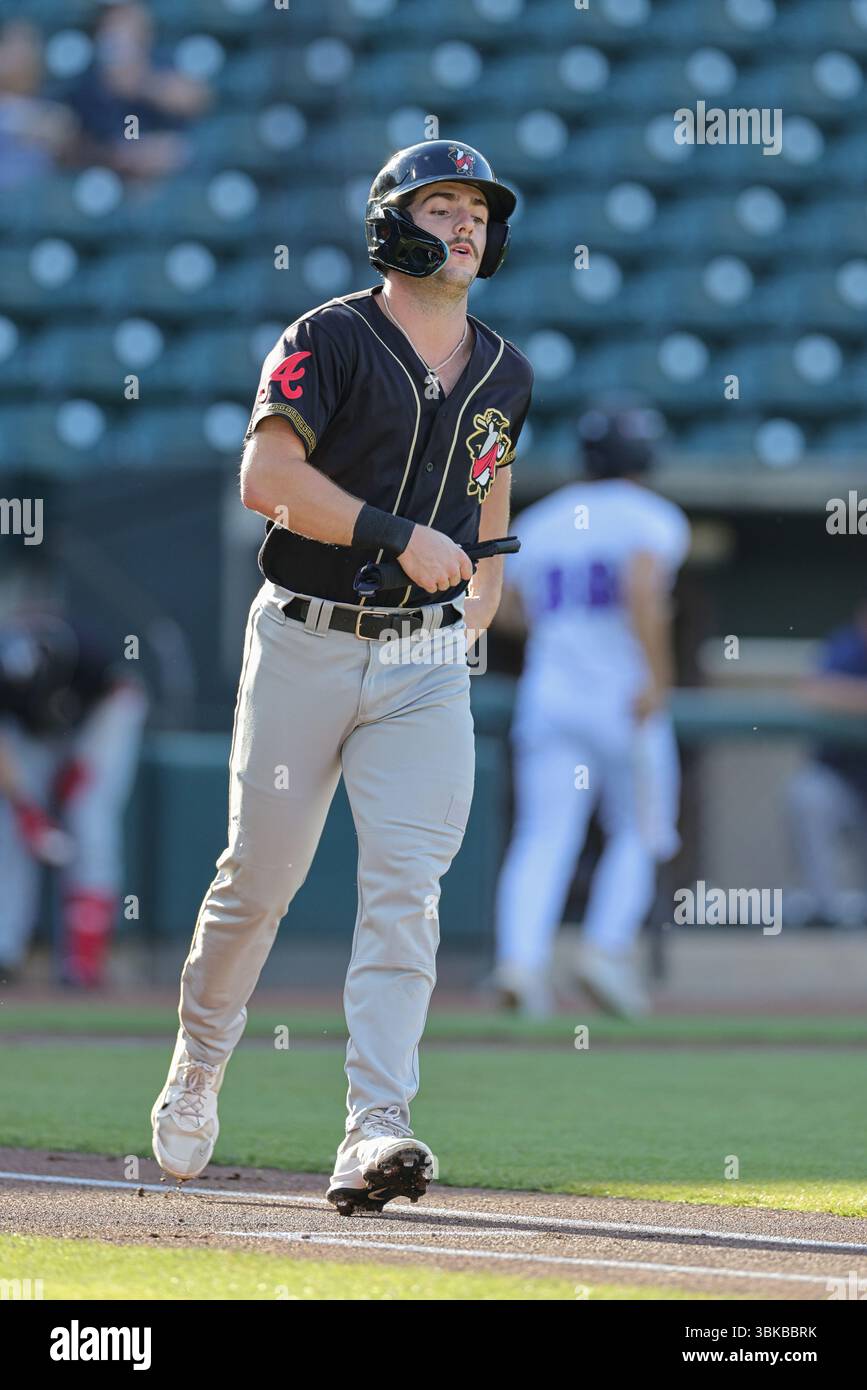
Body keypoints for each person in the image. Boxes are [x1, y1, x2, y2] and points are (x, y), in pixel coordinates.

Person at [150, 140, 534, 1215]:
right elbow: (264, 476)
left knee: (406, 894)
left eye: (477, 209)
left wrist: (482, 602)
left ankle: (376, 1125)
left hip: (421, 655)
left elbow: (489, 491)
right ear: (392, 222)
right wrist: (399, 532)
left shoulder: (507, 368)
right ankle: (199, 1064)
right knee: (256, 883)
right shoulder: (327, 335)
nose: (465, 223)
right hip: (308, 637)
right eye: (442, 203)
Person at [490, 402, 690, 1018]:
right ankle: (604, 948)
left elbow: (498, 602)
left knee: (543, 834)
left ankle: (521, 964)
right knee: (642, 828)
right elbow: (642, 592)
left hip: (550, 697)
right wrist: (659, 676)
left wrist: (558, 634)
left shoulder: (544, 520)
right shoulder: (652, 516)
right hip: (623, 698)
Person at [0, 592, 148, 986]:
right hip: (31, 737)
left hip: (100, 719)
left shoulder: (87, 653)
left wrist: (84, 765)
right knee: (12, 826)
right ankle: (6, 951)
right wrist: (27, 808)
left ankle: (84, 959)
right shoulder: (6, 677)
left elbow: (123, 698)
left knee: (89, 814)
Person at [786, 601, 867, 926]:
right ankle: (825, 913)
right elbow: (812, 690)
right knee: (807, 795)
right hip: (840, 781)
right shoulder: (846, 646)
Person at [65, 2, 210, 180]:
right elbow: (82, 142)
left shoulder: (164, 60)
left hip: (172, 168)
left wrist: (144, 84)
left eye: (127, 29)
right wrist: (128, 152)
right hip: (111, 175)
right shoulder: (87, 82)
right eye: (112, 29)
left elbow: (196, 98)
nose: (120, 39)